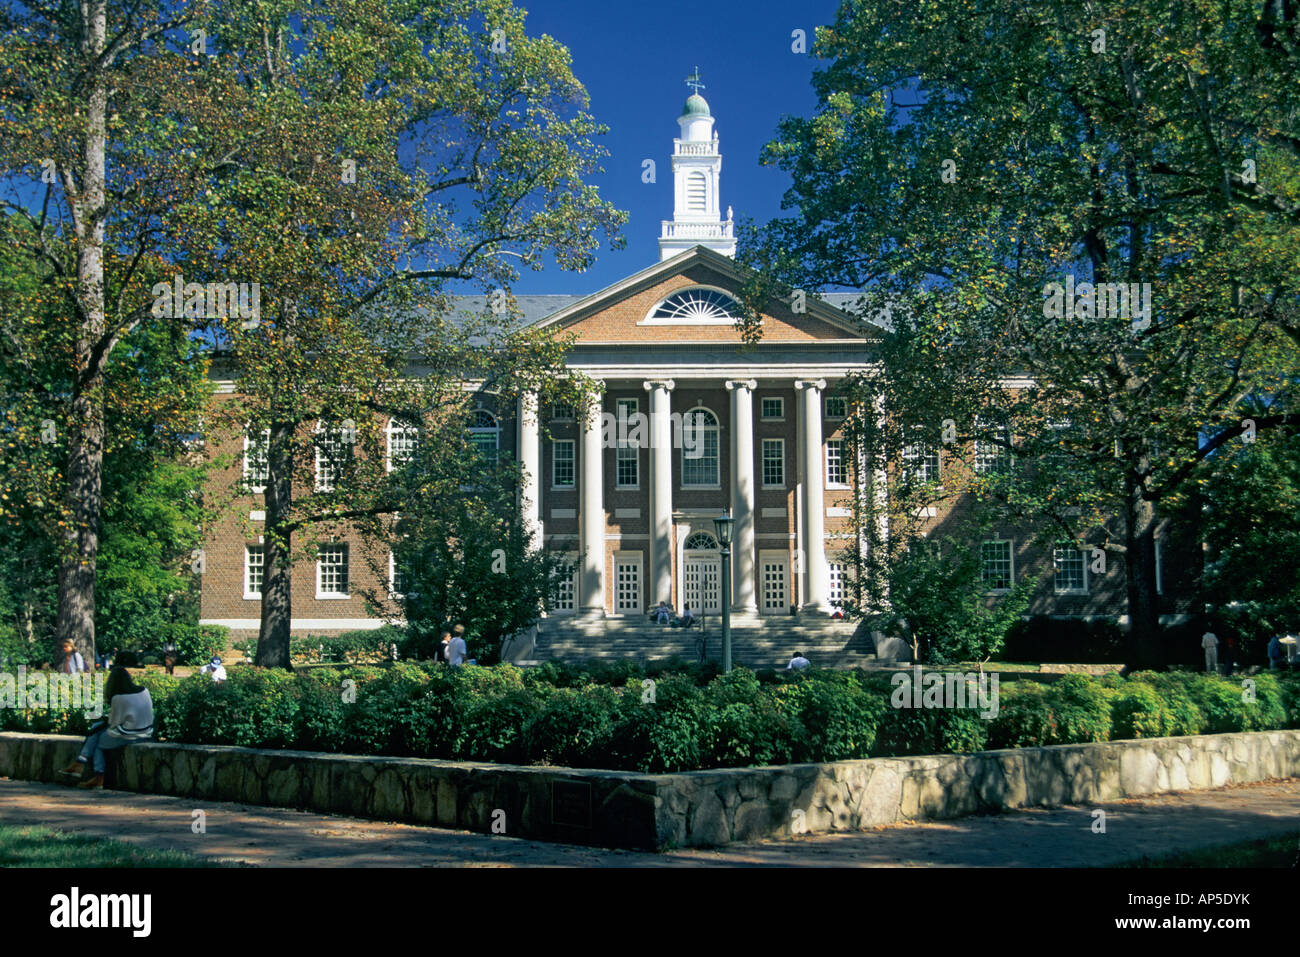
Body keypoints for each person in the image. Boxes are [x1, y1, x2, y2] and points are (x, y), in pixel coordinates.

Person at [57, 654, 154, 789]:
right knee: (97, 727)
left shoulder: (118, 698)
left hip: (131, 735)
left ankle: (96, 775)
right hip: (147, 731)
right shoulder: (144, 690)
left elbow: (113, 723)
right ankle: (81, 765)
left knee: (98, 741)